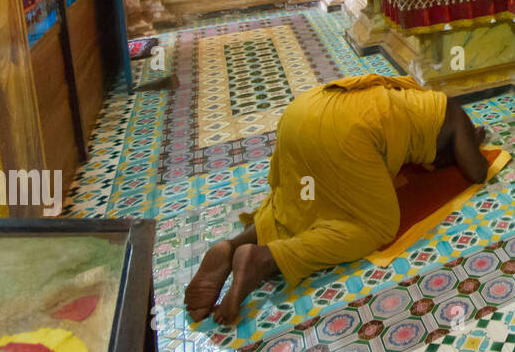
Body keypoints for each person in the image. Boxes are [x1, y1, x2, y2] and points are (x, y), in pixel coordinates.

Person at [183, 75, 489, 325]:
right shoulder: (454, 113)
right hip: (345, 134)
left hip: (303, 112)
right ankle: (265, 259)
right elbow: (476, 172)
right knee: (376, 225)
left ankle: (232, 247)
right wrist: (473, 142)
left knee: (306, 199)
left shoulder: (408, 97)